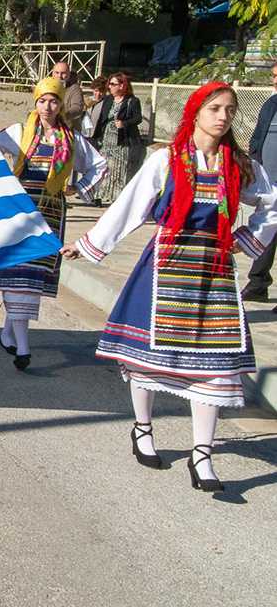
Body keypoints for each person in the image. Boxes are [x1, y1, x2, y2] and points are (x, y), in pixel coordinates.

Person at [64, 82, 277, 491]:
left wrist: (246, 239)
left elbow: (272, 202)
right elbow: (130, 205)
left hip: (214, 270)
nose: (223, 116)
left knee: (215, 365)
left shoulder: (239, 165)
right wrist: (89, 244)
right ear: (195, 112)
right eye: (215, 108)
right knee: (148, 357)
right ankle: (143, 430)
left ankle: (203, 456)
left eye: (230, 110)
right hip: (166, 264)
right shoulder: (167, 160)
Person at [0, 77, 106, 370]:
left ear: (60, 104)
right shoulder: (18, 132)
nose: (47, 106)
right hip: (19, 211)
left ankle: (9, 332)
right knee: (18, 271)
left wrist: (79, 188)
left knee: (31, 276)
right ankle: (23, 348)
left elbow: (99, 165)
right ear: (35, 102)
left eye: (53, 100)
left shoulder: (72, 139)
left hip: (51, 212)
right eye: (43, 100)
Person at [244, 62, 277, 302]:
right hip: (270, 185)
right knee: (266, 233)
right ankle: (258, 284)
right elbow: (257, 136)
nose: (274, 81)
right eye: (274, 76)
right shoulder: (270, 104)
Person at [90, 72, 144, 206]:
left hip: (122, 140)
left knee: (118, 170)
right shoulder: (108, 100)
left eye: (113, 84)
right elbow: (102, 117)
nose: (110, 87)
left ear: (122, 85)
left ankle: (116, 198)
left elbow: (138, 118)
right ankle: (99, 196)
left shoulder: (132, 101)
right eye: (109, 84)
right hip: (106, 139)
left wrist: (124, 123)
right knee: (103, 168)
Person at [52, 57, 85, 129]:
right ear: (52, 73)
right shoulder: (48, 87)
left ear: (69, 74)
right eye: (57, 73)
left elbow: (77, 108)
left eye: (63, 73)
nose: (59, 76)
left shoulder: (75, 88)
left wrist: (61, 115)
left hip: (68, 131)